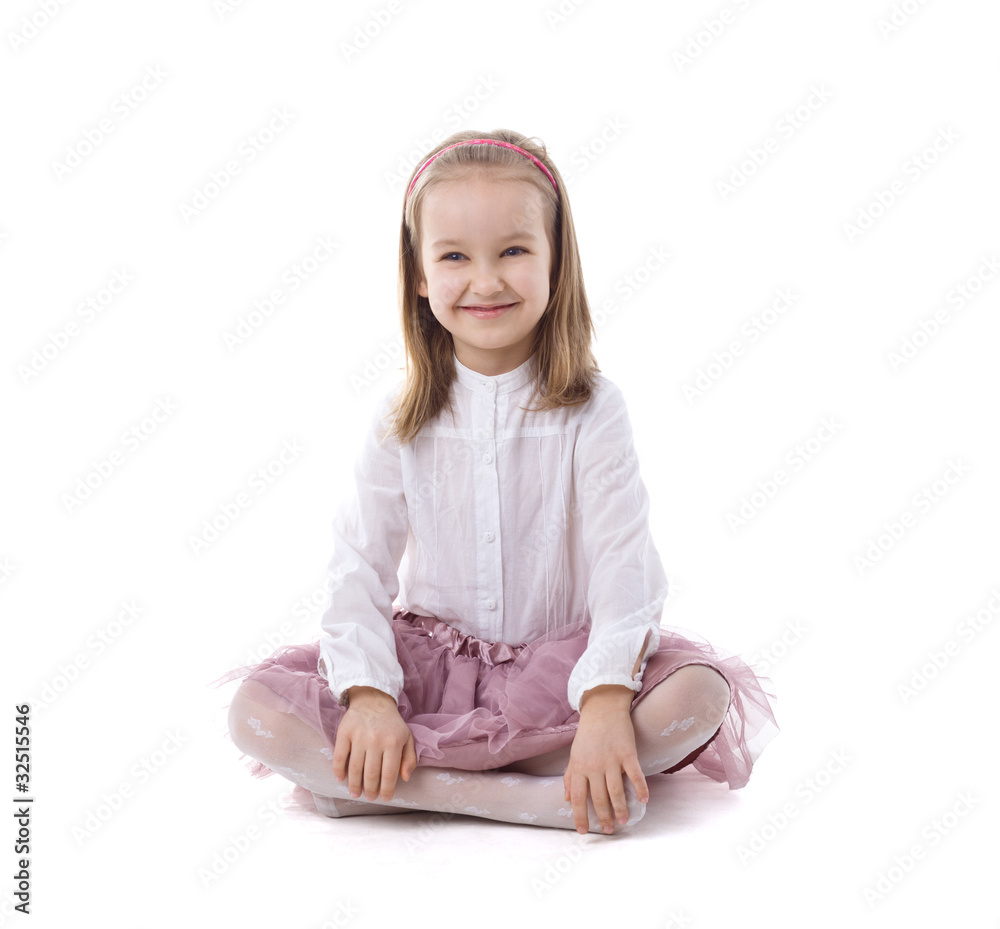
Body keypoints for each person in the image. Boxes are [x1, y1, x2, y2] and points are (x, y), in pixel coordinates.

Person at [217, 129, 778, 836]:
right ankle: (526, 793)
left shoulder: (593, 409)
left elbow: (624, 565)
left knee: (697, 696)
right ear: (419, 274)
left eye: (513, 251)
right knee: (253, 711)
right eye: (454, 257)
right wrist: (369, 697)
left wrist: (605, 702)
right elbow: (356, 567)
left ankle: (392, 789)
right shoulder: (400, 417)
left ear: (555, 262)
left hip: (564, 669)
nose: (485, 281)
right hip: (435, 676)